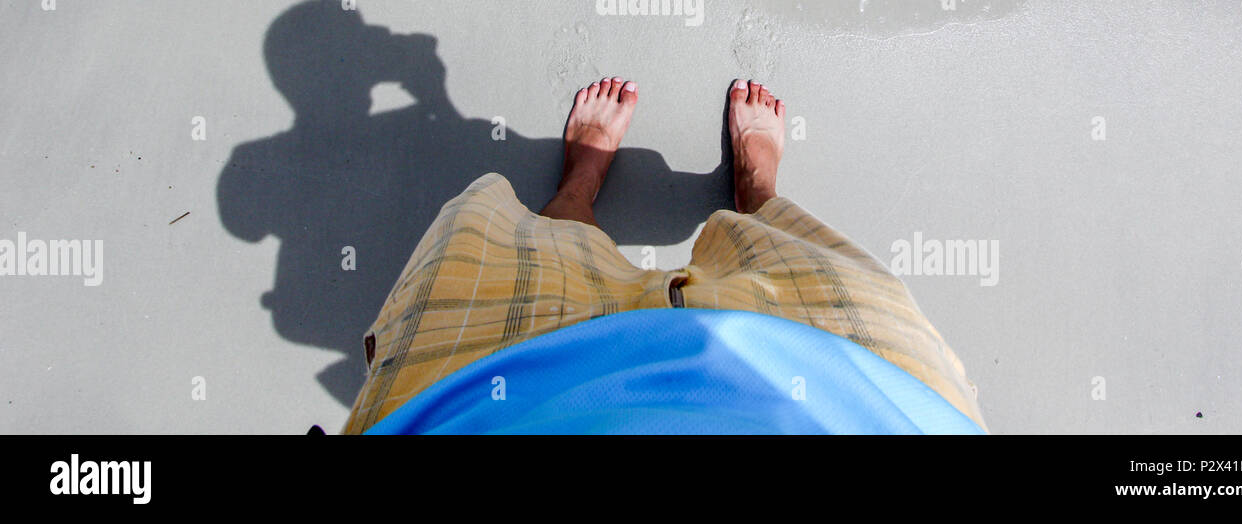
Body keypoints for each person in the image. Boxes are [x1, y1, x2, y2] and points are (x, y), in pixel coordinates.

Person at [343, 78, 988, 434]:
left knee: (529, 257)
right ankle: (757, 194)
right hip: (854, 398)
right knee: (809, 268)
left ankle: (577, 192)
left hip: (506, 401)